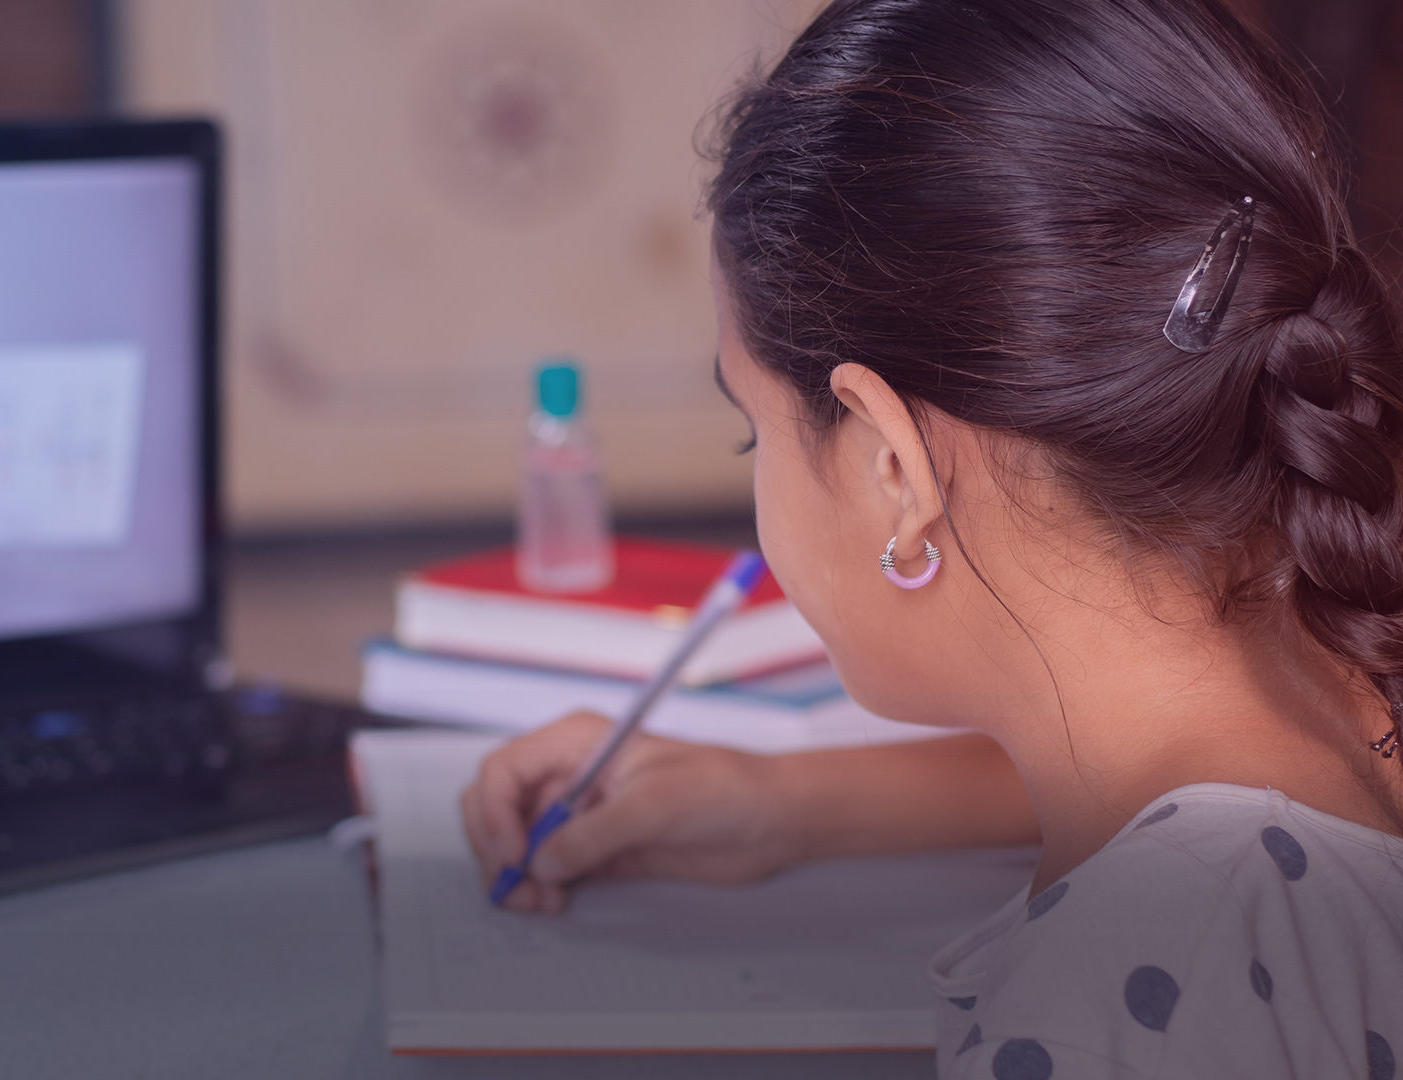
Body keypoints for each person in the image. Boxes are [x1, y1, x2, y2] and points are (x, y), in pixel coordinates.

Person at [460, 0, 1403, 1075]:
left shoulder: (1107, 1006)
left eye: (750, 433)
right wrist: (783, 805)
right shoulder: (1353, 648)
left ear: (889, 466)